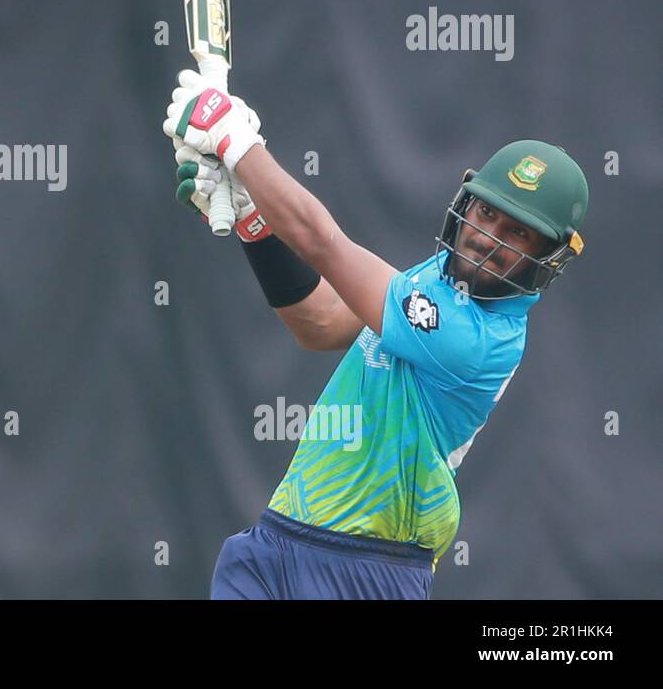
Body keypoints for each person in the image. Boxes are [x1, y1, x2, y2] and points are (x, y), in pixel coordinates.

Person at [162, 70, 589, 599]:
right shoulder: (434, 278)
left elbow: (323, 243)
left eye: (517, 232)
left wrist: (236, 144)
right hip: (274, 543)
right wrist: (254, 218)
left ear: (547, 259)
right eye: (486, 214)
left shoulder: (480, 339)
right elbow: (318, 322)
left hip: (367, 570)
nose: (487, 238)